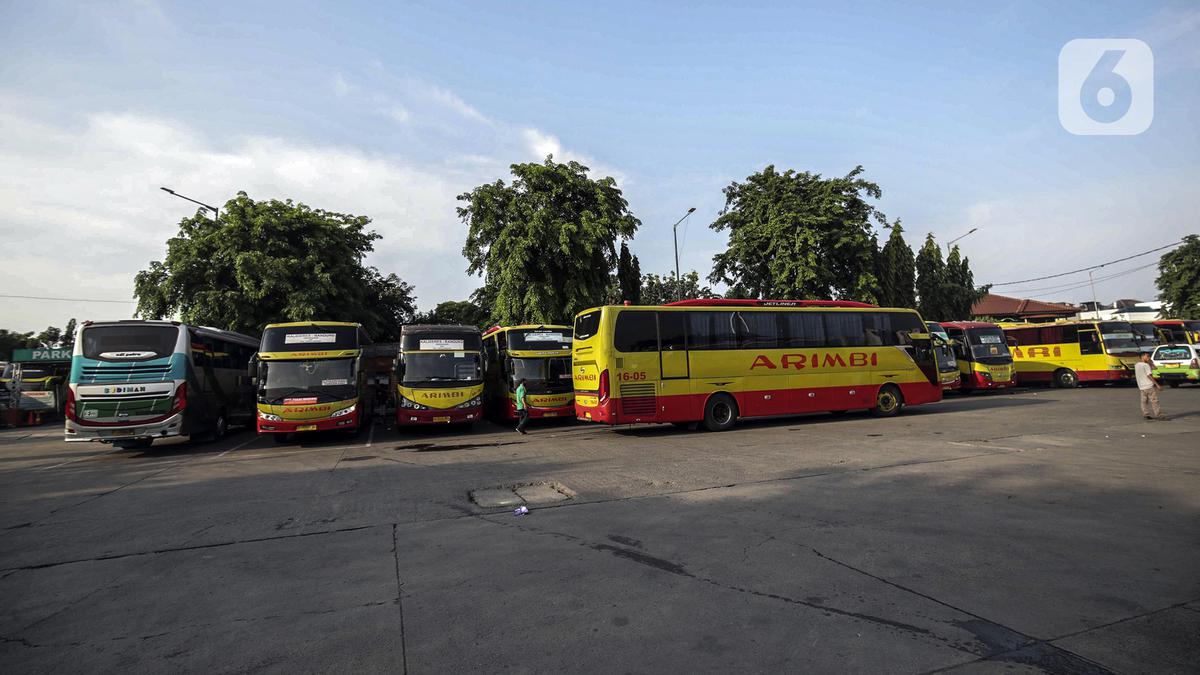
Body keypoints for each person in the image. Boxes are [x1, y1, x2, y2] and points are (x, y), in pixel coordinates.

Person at [1135, 352, 1167, 420]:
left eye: (1149, 356)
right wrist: (1157, 385)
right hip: (1149, 386)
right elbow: (1149, 375)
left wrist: (1150, 362)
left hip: (1141, 386)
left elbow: (1154, 368)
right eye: (1147, 356)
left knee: (1144, 401)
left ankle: (1145, 414)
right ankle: (1159, 415)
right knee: (1154, 401)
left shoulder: (1137, 365)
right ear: (1142, 356)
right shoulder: (1146, 365)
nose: (1149, 357)